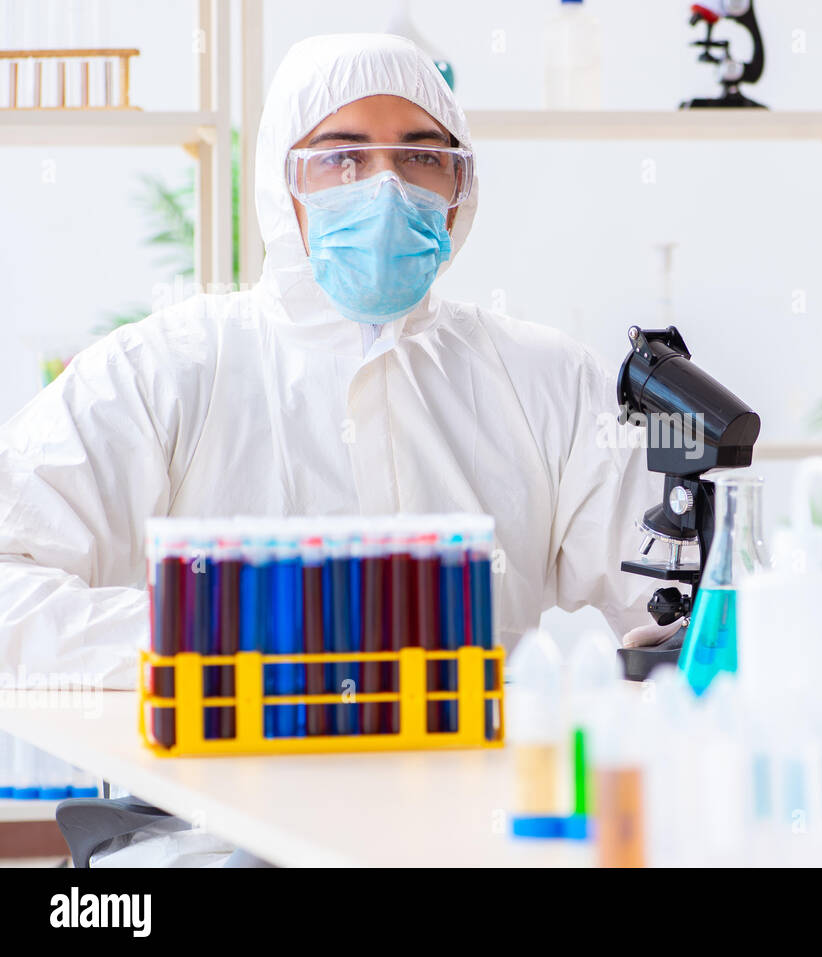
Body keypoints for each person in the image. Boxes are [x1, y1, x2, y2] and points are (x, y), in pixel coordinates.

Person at [0, 34, 681, 865]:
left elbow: (655, 618)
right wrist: (221, 639)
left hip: (485, 821)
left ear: (460, 184)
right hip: (215, 829)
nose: (387, 188)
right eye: (342, 158)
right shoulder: (164, 370)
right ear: (281, 183)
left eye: (422, 157)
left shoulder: (549, 381)